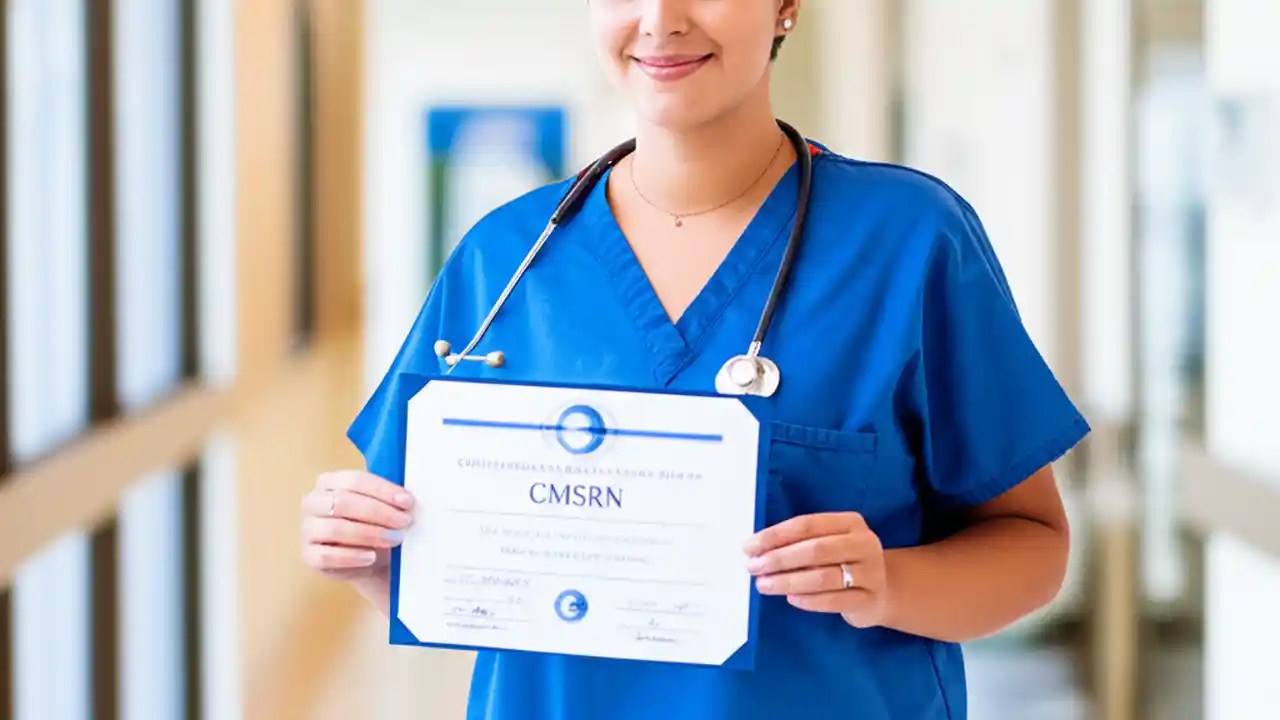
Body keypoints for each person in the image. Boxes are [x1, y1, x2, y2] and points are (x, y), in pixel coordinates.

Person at [300, 1, 1090, 718]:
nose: (659, 19)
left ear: (786, 6)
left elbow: (1032, 545)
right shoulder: (505, 260)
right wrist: (367, 557)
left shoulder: (910, 242)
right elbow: (451, 582)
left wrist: (885, 584)